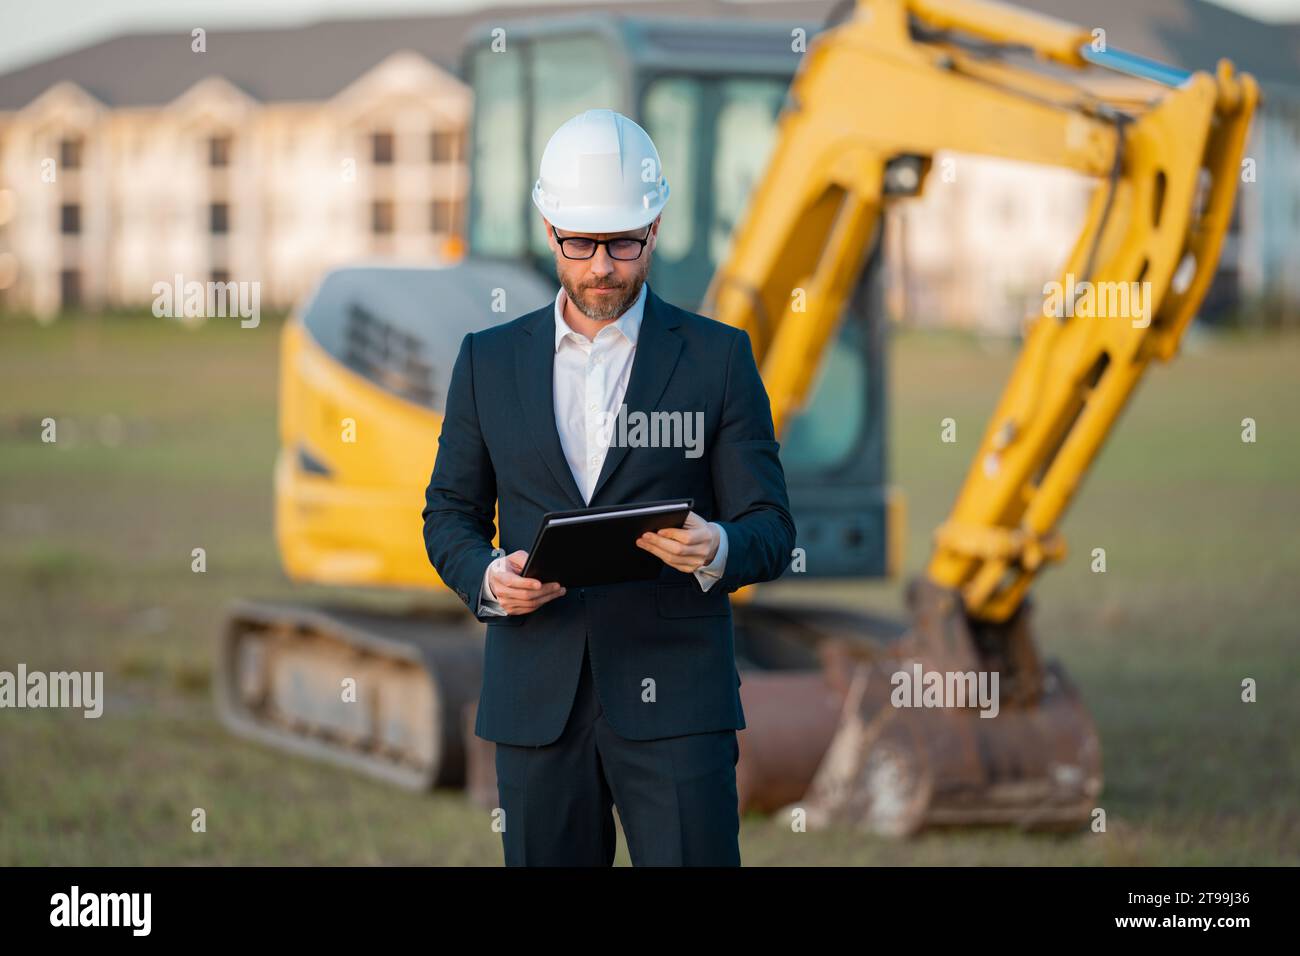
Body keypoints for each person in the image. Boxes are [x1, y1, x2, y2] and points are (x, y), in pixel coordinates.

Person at [422, 108, 795, 866]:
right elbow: (449, 517)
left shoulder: (719, 359)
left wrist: (716, 546)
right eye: (580, 243)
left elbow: (771, 527)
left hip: (680, 709)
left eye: (624, 243)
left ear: (654, 227)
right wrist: (490, 578)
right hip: (537, 707)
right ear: (549, 226)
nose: (601, 267)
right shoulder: (485, 362)